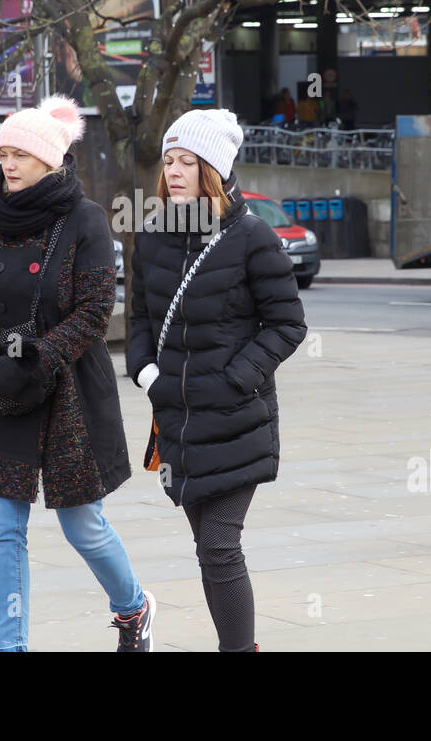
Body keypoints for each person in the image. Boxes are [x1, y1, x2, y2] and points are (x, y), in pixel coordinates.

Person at [0, 95, 154, 652]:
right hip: (2, 389)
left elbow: (95, 311)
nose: (8, 164)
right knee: (0, 528)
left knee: (81, 525)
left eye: (20, 154)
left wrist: (38, 356)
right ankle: (9, 646)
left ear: (49, 160)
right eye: (3, 153)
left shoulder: (84, 220)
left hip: (68, 392)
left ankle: (132, 606)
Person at [127, 109, 307, 651]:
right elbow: (139, 318)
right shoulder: (152, 234)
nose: (175, 171)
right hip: (178, 422)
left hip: (237, 419)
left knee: (221, 546)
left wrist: (235, 379)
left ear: (217, 170)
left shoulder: (252, 237)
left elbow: (288, 324)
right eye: (169, 160)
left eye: (189, 161)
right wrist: (147, 373)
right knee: (209, 550)